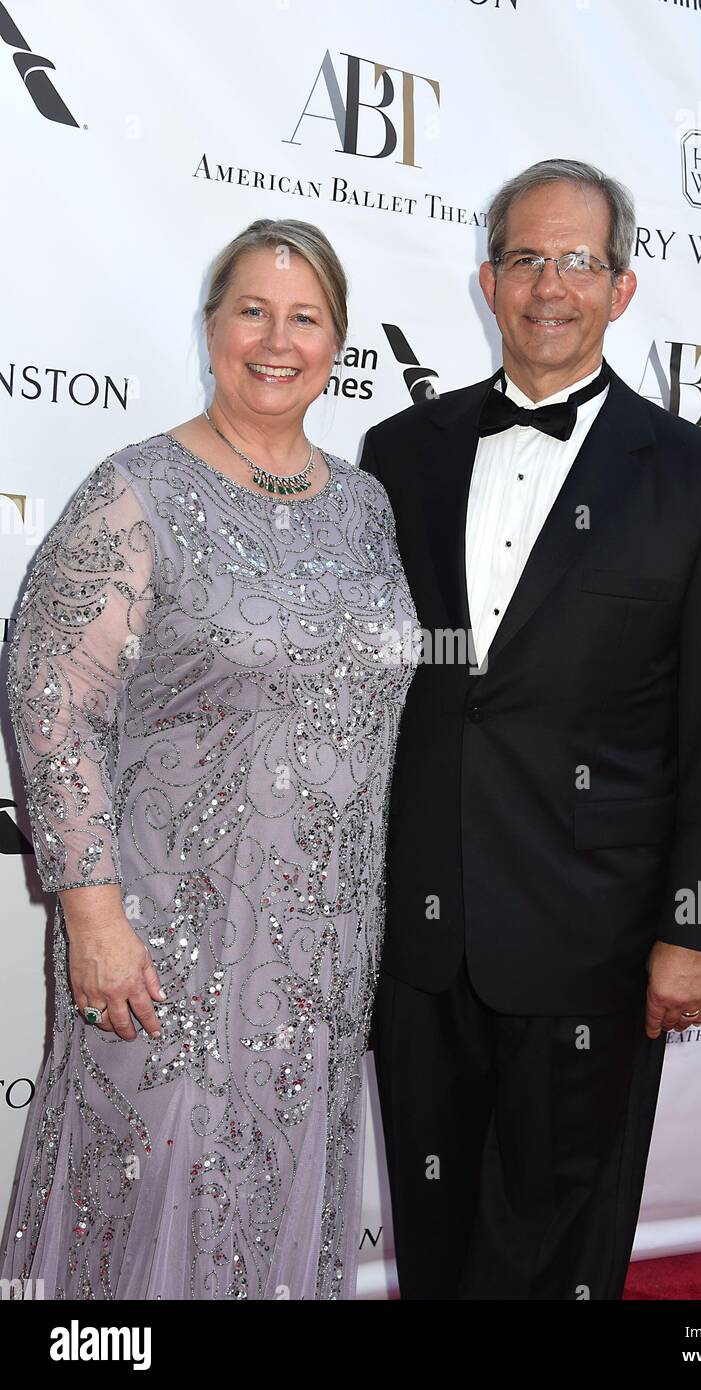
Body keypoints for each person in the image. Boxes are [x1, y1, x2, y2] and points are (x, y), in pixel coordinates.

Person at [360, 159, 701, 1300]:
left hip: (595, 939)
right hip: (425, 933)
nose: (552, 285)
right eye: (527, 259)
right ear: (487, 280)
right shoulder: (401, 457)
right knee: (436, 1242)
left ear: (623, 289)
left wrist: (700, 930)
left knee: (556, 1252)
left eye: (579, 261)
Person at [1, 218, 418, 1299]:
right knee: (150, 1186)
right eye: (252, 310)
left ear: (335, 342)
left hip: (321, 946)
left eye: (304, 317)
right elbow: (52, 693)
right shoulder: (138, 488)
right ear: (210, 327)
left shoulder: (367, 506)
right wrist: (91, 910)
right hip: (164, 932)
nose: (276, 339)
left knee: (278, 1185)